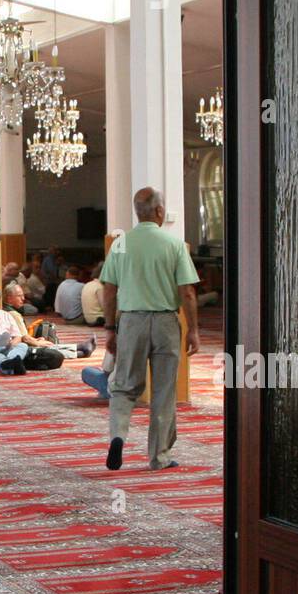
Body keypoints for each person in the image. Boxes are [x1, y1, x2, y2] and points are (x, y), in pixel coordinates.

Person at [101, 186, 200, 472]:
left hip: (132, 321)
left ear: (137, 212)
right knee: (164, 392)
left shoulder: (120, 244)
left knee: (124, 386)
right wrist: (192, 329)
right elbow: (188, 292)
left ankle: (118, 435)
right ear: (159, 211)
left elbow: (109, 290)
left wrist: (110, 328)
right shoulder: (174, 245)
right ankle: (159, 457)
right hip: (166, 322)